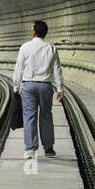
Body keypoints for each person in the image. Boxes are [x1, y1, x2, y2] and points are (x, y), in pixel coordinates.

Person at [11, 19, 64, 158]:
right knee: (46, 116)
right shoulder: (52, 48)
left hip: (29, 85)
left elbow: (19, 68)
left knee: (29, 116)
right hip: (45, 86)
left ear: (34, 31)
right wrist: (60, 88)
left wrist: (16, 87)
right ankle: (48, 149)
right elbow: (57, 69)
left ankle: (30, 149)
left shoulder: (25, 47)